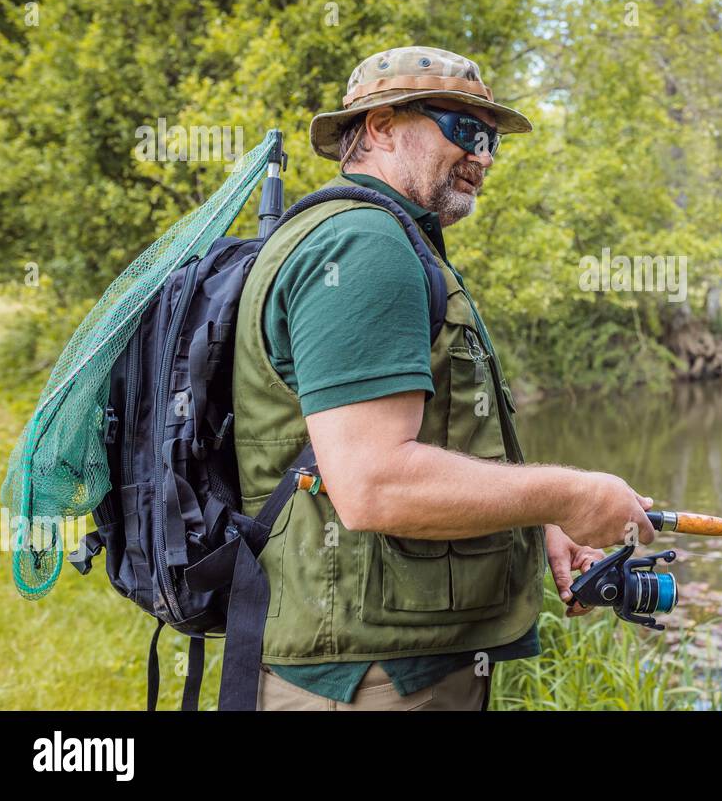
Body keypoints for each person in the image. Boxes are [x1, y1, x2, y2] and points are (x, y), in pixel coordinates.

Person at [231, 45, 655, 710]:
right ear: (380, 126)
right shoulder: (364, 248)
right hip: (368, 679)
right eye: (463, 130)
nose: (483, 155)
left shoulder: (381, 238)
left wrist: (534, 519)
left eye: (490, 139)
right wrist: (567, 491)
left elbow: (417, 439)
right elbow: (374, 483)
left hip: (381, 659)